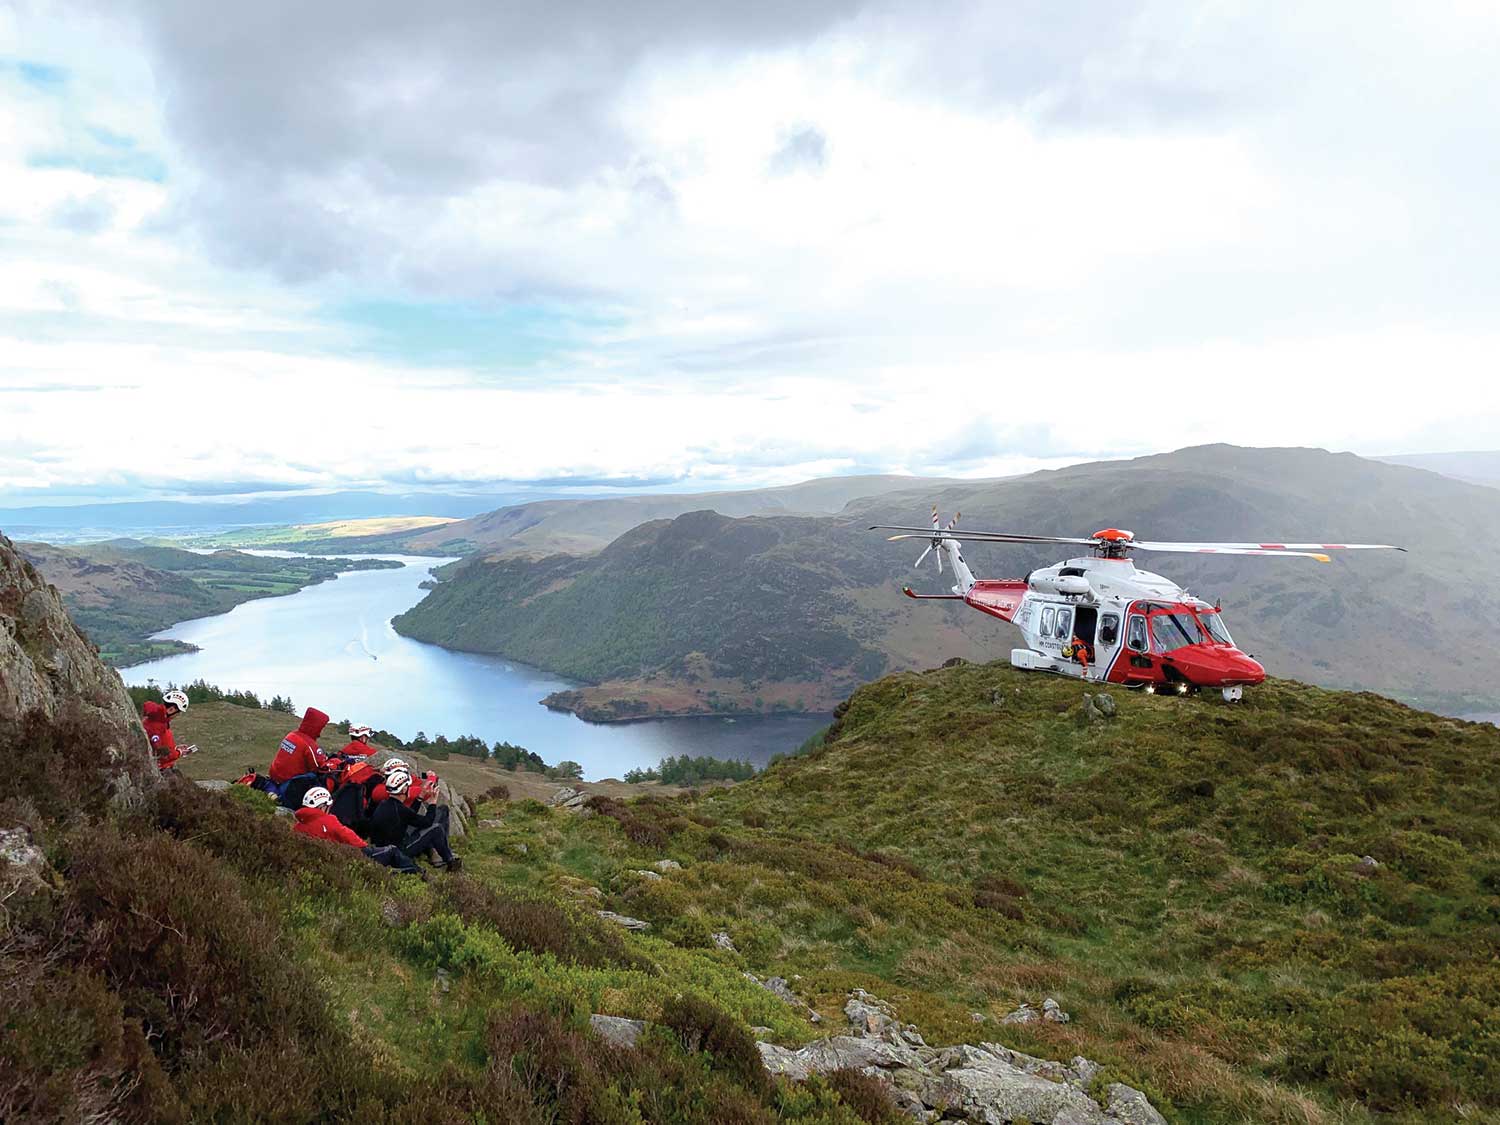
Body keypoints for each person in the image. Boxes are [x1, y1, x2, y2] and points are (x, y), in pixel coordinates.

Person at [293, 787, 419, 875]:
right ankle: (417, 873)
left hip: (328, 860)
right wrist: (365, 847)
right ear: (322, 806)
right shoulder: (327, 820)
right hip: (348, 857)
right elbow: (347, 836)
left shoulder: (298, 826)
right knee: (392, 850)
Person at [367, 768, 461, 871]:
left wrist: (420, 798)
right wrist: (432, 803)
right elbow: (427, 822)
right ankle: (450, 860)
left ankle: (438, 853)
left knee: (425, 828)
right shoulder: (400, 809)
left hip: (383, 848)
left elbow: (409, 815)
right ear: (403, 790)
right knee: (436, 828)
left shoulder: (384, 804)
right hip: (401, 850)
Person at [268, 707, 331, 808]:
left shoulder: (291, 735)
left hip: (274, 778)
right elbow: (318, 767)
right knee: (315, 778)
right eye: (321, 728)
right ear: (317, 727)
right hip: (289, 785)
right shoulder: (309, 744)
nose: (320, 733)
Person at [143, 689, 197, 771]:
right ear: (171, 709)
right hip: (161, 771)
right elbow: (161, 754)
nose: (177, 716)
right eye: (178, 713)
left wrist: (174, 748)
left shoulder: (161, 721)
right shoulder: (157, 725)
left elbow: (162, 744)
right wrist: (179, 753)